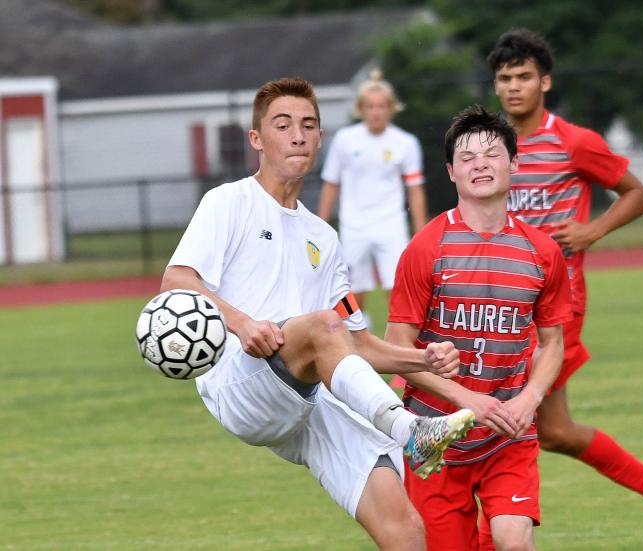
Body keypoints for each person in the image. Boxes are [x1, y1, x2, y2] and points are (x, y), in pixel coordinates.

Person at [160, 77, 475, 551]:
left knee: (404, 528)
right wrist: (242, 323)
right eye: (282, 125)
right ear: (256, 139)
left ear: (321, 138)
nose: (298, 135)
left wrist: (422, 360)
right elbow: (176, 280)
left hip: (308, 400)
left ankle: (405, 436)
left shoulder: (324, 239)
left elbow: (357, 344)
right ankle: (412, 431)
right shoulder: (228, 202)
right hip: (238, 382)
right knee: (323, 326)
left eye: (308, 125)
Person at [484, 28, 643, 551]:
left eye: (524, 77)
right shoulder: (490, 147)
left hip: (557, 308)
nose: (514, 88)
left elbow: (637, 195)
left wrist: (590, 231)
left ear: (545, 81)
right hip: (501, 307)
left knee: (498, 425)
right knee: (551, 430)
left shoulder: (573, 141)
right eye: (505, 79)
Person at [385, 105, 574, 551]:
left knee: (513, 541)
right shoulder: (426, 248)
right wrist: (467, 400)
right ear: (451, 172)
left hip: (509, 433)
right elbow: (396, 348)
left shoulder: (542, 252)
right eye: (467, 158)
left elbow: (553, 345)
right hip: (435, 440)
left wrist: (529, 399)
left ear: (514, 163)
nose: (481, 164)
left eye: (492, 154)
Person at [318, 70, 427, 326]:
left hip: (391, 224)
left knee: (399, 288)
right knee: (353, 292)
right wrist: (320, 226)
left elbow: (415, 189)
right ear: (360, 109)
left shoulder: (405, 142)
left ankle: (401, 347)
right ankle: (358, 343)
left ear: (391, 108)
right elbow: (331, 183)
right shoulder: (345, 140)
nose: (376, 112)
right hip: (354, 225)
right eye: (370, 106)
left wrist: (421, 233)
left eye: (381, 106)